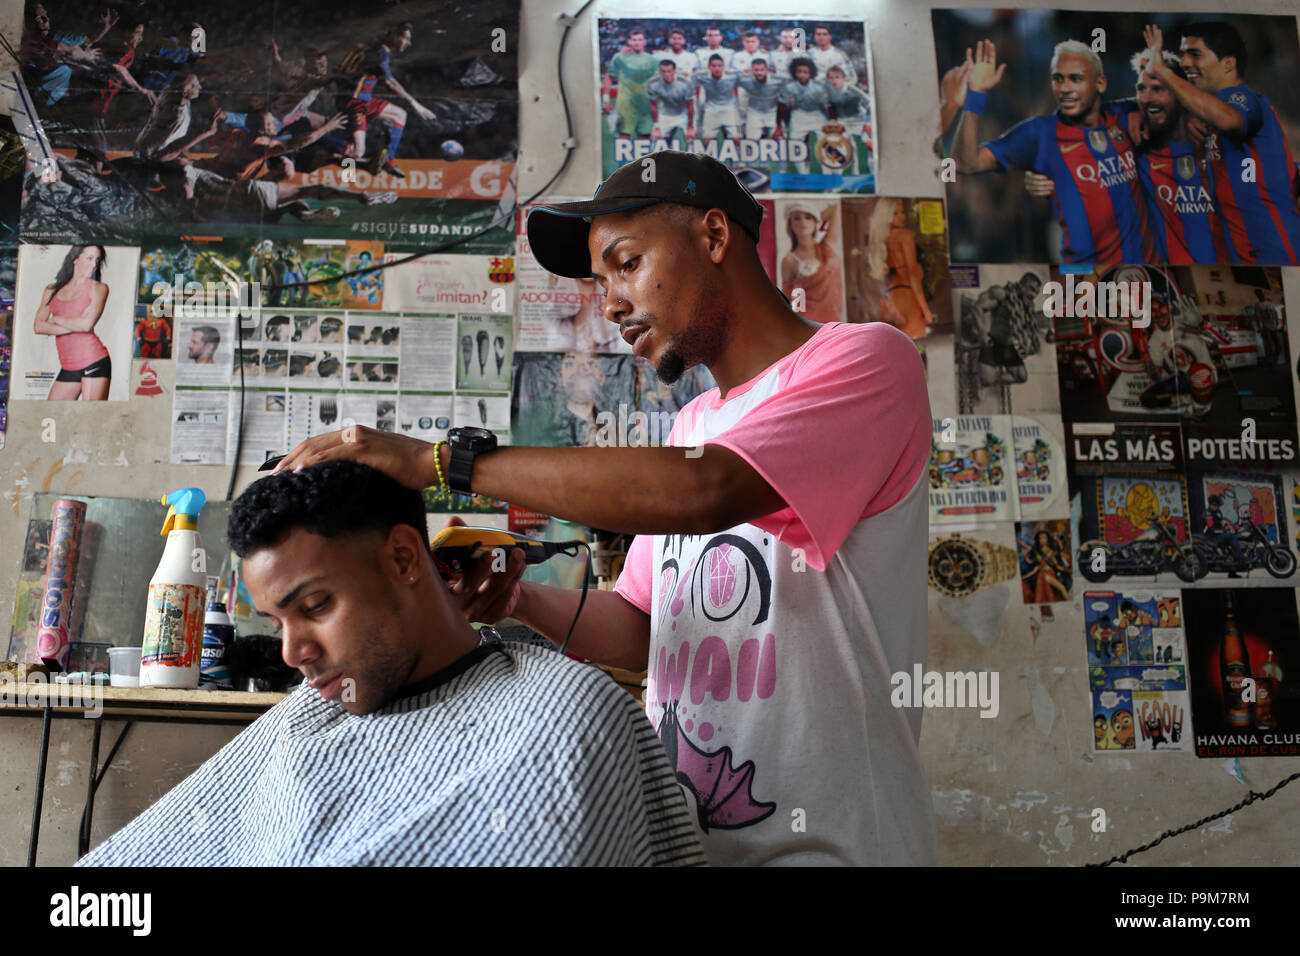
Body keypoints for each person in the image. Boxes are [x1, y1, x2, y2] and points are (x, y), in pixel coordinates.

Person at [275, 151, 937, 866]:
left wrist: (448, 462)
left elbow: (706, 491)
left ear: (714, 237)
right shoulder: (693, 428)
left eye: (626, 264)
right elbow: (640, 630)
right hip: (684, 845)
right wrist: (518, 595)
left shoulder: (868, 361)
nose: (612, 304)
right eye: (600, 282)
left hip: (833, 847)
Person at [78, 461, 705, 866]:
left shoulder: (566, 715)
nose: (293, 652)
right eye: (276, 622)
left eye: (316, 605)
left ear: (406, 560)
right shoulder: (304, 721)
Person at [952, 39, 1155, 267]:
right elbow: (967, 163)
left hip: (1147, 271)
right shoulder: (1040, 133)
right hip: (1086, 278)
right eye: (1058, 79)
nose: (1065, 88)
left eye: (1075, 79)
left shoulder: (1126, 115)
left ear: (1100, 83)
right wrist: (976, 96)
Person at [1141, 22, 1300, 264]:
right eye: (1183, 54)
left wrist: (1164, 72)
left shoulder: (1244, 98)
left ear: (1228, 63)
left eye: (1195, 54)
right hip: (1241, 252)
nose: (1184, 63)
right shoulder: (1210, 114)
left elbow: (1229, 118)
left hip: (1274, 249)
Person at [33, 245, 112, 401]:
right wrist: (73, 325)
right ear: (75, 259)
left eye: (97, 260)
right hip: (68, 365)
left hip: (93, 360)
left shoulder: (99, 288)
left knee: (90, 419)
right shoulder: (52, 289)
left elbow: (86, 325)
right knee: (52, 415)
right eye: (89, 258)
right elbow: (39, 326)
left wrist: (56, 320)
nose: (94, 264)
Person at [867, 199, 932, 338]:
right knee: (915, 342)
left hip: (889, 296)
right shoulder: (905, 235)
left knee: (898, 342)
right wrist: (926, 310)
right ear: (887, 216)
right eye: (895, 213)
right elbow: (913, 275)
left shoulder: (882, 239)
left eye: (902, 212)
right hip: (906, 293)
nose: (902, 216)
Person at [780, 200, 842, 324]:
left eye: (808, 218)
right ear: (790, 224)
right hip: (808, 322)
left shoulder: (826, 247)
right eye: (797, 218)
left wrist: (815, 215)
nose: (803, 222)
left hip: (833, 319)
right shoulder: (789, 260)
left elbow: (836, 208)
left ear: (815, 222)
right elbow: (789, 299)